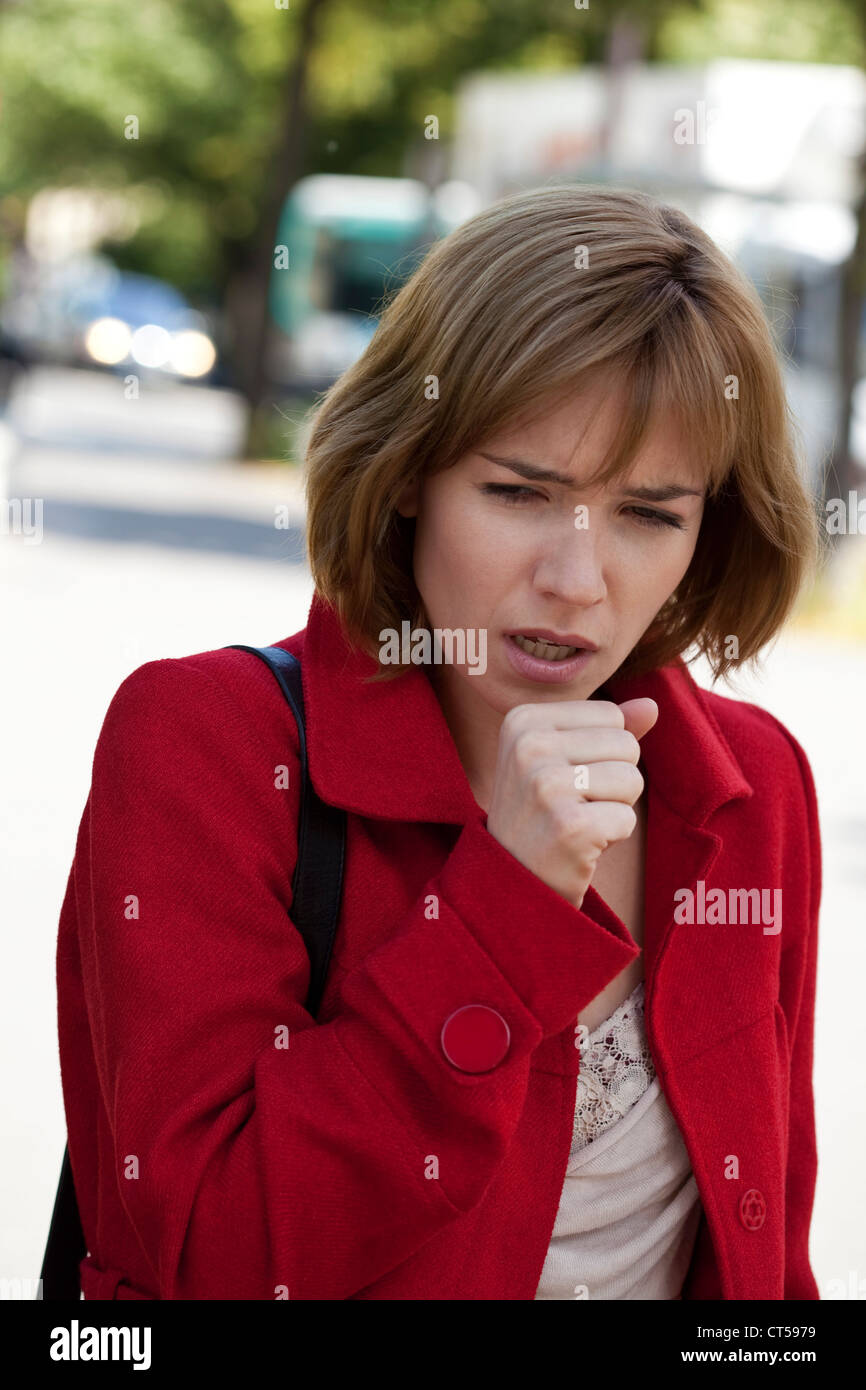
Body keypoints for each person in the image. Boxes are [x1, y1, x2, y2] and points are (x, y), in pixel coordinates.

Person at [55, 184, 822, 1300]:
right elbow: (214, 1261)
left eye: (649, 514)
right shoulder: (203, 743)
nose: (574, 580)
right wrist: (499, 906)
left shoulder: (748, 786)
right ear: (409, 470)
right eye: (518, 492)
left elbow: (763, 1260)